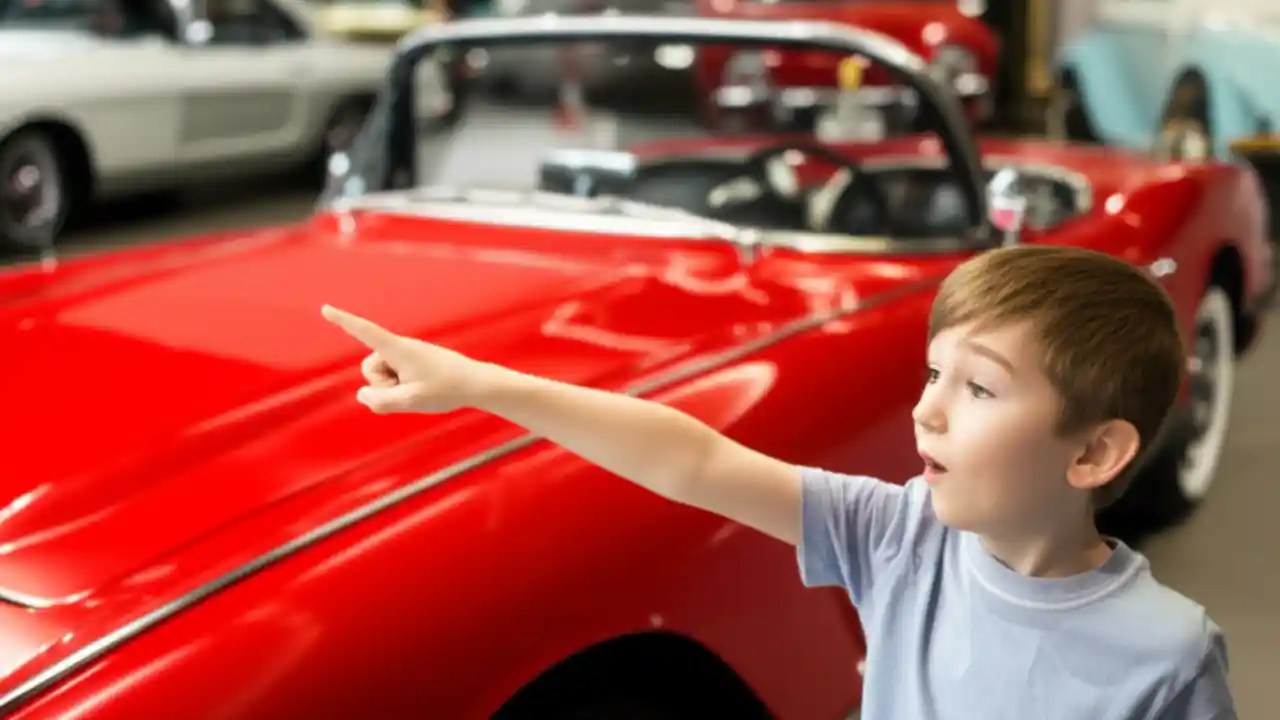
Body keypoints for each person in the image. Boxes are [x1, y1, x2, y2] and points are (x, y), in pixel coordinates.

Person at [320, 245, 1236, 719]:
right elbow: (693, 459)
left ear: (1092, 455)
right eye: (933, 374)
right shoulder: (903, 539)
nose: (929, 413)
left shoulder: (1165, 652)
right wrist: (478, 384)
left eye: (981, 386)